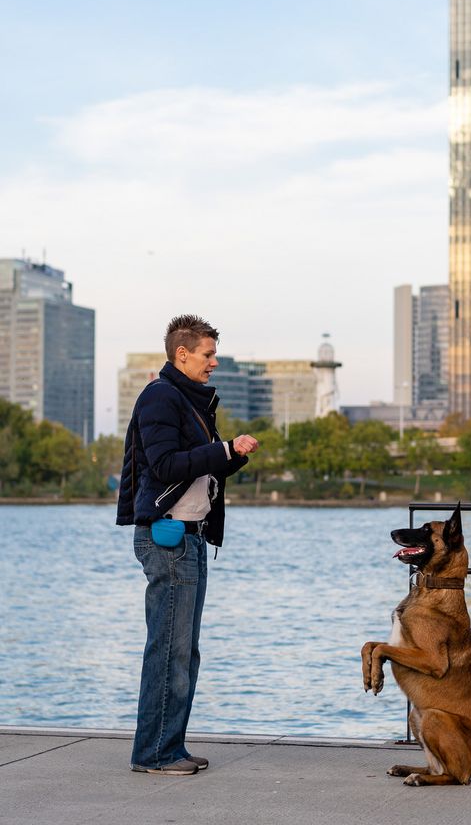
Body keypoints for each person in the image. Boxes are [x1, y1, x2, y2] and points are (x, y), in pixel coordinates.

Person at [116, 314, 258, 775]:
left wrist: (231, 456)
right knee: (170, 649)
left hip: (189, 539)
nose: (214, 362)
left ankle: (170, 747)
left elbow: (200, 470)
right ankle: (154, 753)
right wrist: (222, 449)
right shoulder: (161, 396)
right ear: (182, 353)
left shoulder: (190, 402)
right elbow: (164, 465)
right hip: (169, 538)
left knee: (184, 651)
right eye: (208, 354)